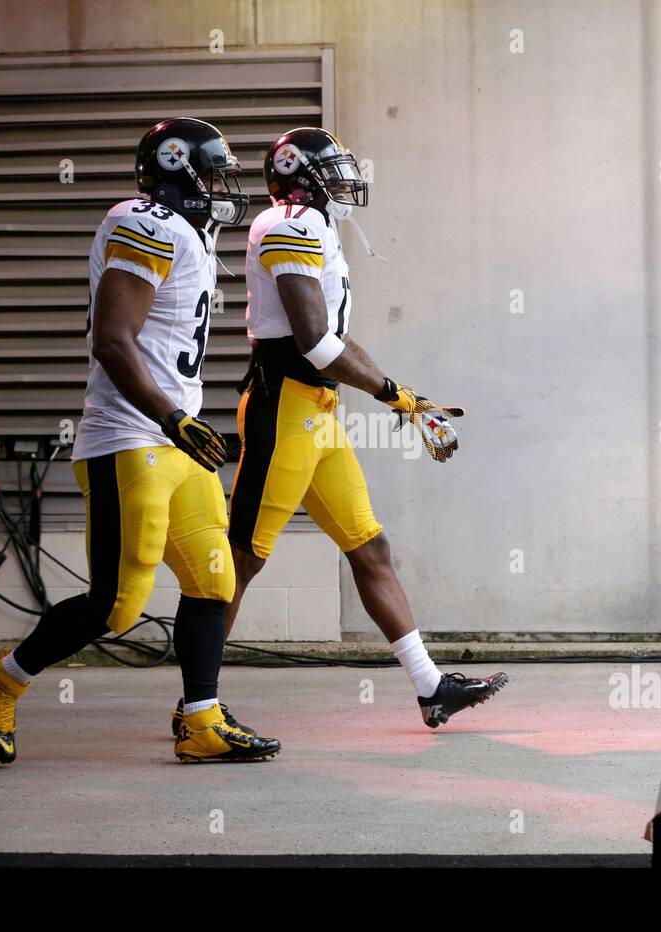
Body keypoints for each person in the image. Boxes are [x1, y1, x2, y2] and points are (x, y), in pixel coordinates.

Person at [0, 117, 280, 764]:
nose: (224, 184)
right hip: (131, 438)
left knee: (213, 579)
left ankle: (201, 723)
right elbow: (113, 340)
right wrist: (172, 417)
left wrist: (180, 424)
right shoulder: (148, 222)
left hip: (175, 441)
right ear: (177, 170)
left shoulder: (188, 232)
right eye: (214, 170)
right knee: (117, 606)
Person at [178, 127, 507, 734]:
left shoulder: (315, 226)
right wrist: (390, 395)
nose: (345, 178)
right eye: (332, 168)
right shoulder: (289, 223)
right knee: (240, 560)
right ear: (301, 172)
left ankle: (431, 687)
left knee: (368, 546)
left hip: (317, 412)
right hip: (285, 408)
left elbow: (336, 340)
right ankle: (196, 709)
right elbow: (314, 342)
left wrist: (405, 398)